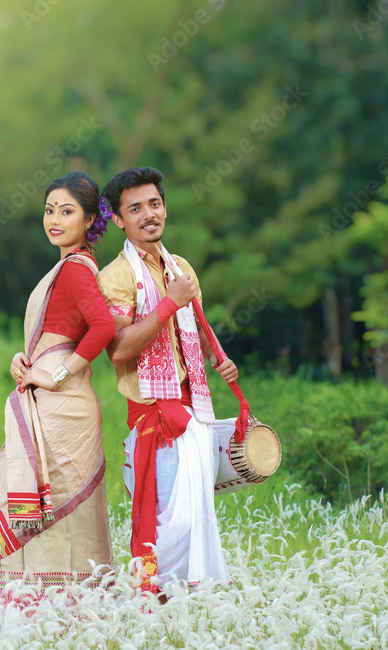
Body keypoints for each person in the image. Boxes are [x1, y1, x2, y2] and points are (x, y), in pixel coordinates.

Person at [97, 166, 238, 597]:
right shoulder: (117, 276)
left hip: (192, 407)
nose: (148, 214)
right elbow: (119, 349)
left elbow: (192, 323)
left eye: (154, 204)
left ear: (164, 208)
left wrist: (219, 357)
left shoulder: (180, 267)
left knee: (198, 515)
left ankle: (189, 606)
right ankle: (155, 605)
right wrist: (166, 304)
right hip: (155, 416)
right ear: (119, 220)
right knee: (167, 519)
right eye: (135, 208)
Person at [0, 171, 117, 608]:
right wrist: (25, 361)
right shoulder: (67, 269)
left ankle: (48, 608)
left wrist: (57, 374)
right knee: (48, 505)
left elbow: (103, 327)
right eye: (49, 209)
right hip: (53, 401)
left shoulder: (76, 270)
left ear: (90, 219)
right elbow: (58, 332)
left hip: (63, 406)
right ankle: (49, 609)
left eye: (67, 211)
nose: (55, 219)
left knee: (57, 507)